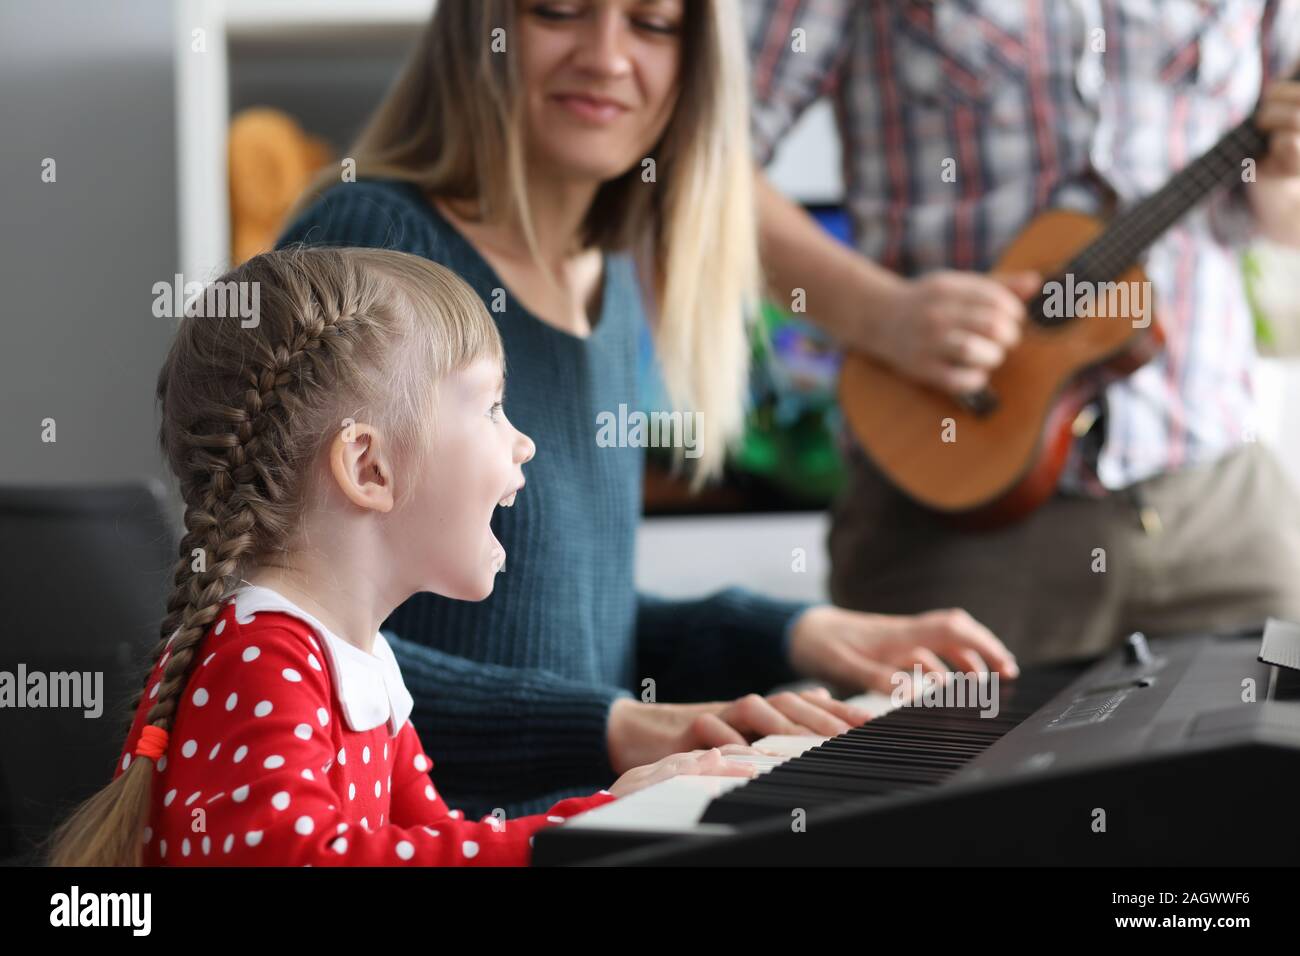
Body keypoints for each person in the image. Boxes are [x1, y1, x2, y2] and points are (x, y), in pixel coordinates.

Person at [278, 0, 1018, 818]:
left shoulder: (610, 275)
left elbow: (563, 626)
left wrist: (798, 635)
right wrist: (614, 725)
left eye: (654, 25)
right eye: (558, 12)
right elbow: (277, 642)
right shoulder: (374, 244)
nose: (606, 55)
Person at [45, 248, 761, 866]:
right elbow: (303, 861)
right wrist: (586, 827)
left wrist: (612, 811)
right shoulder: (264, 657)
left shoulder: (355, 661)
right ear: (370, 467)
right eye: (490, 409)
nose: (523, 443)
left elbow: (441, 841)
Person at [746, 0, 1300, 665]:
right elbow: (699, 162)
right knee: (931, 769)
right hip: (952, 511)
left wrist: (1280, 184)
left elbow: (1284, 219)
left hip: (1223, 509)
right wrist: (883, 314)